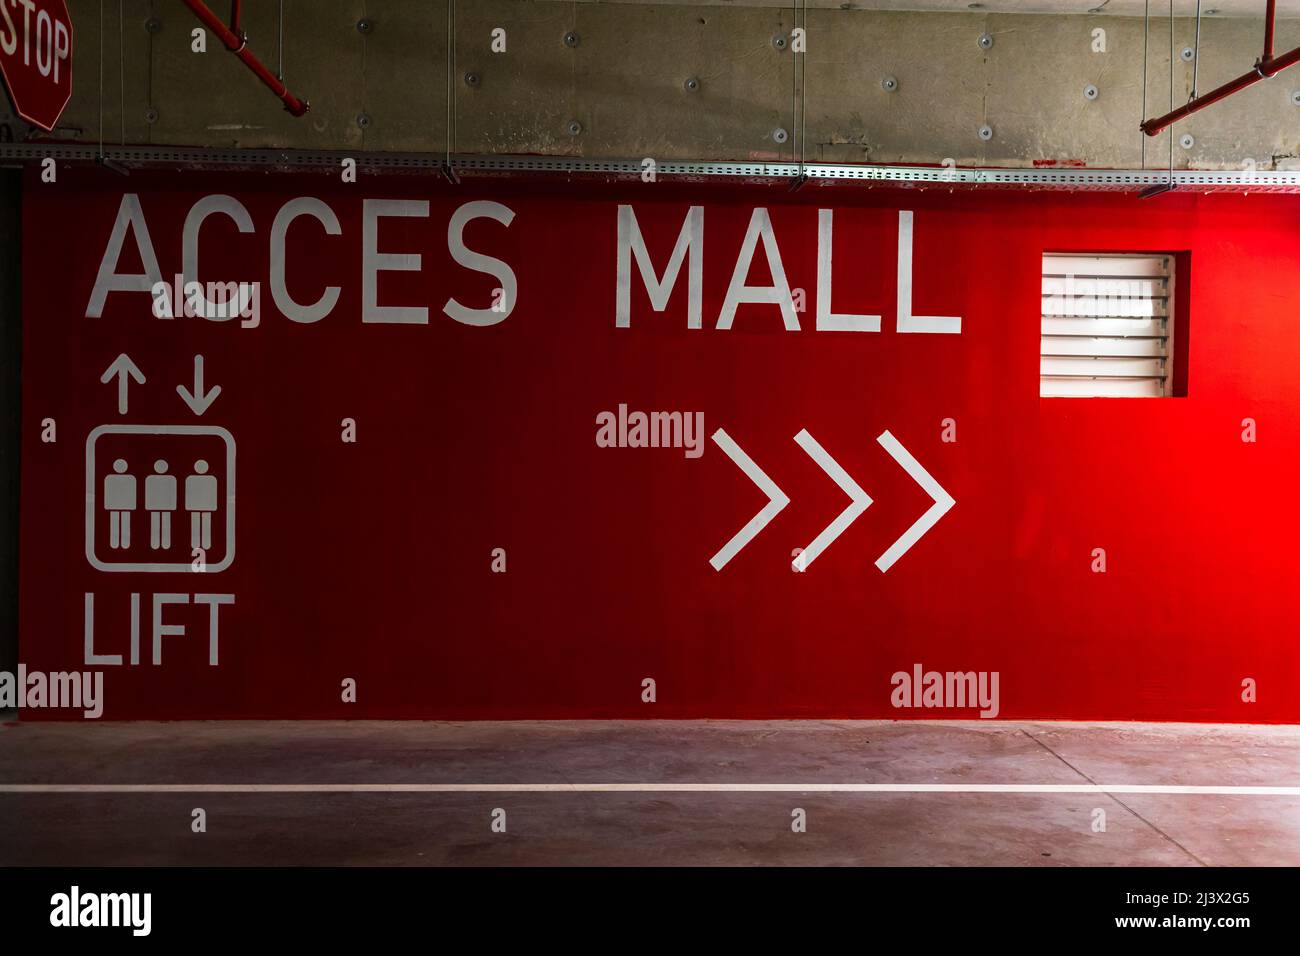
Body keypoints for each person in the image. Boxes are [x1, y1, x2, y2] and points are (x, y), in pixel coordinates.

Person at [185, 459, 218, 551]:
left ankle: (200, 544)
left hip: (198, 507)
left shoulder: (190, 479)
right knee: (204, 524)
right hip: (205, 507)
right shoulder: (212, 479)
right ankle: (202, 544)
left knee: (198, 524)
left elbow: (188, 494)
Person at [104, 459, 136, 549]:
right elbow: (108, 493)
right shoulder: (131, 478)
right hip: (120, 506)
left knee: (122, 524)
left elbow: (132, 493)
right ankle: (117, 543)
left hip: (120, 506)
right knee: (117, 523)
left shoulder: (109, 478)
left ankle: (123, 544)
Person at [145, 459, 177, 550]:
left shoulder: (171, 479)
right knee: (157, 525)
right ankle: (156, 544)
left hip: (163, 507)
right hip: (158, 507)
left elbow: (173, 493)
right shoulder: (150, 479)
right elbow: (148, 493)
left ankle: (164, 543)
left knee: (165, 526)